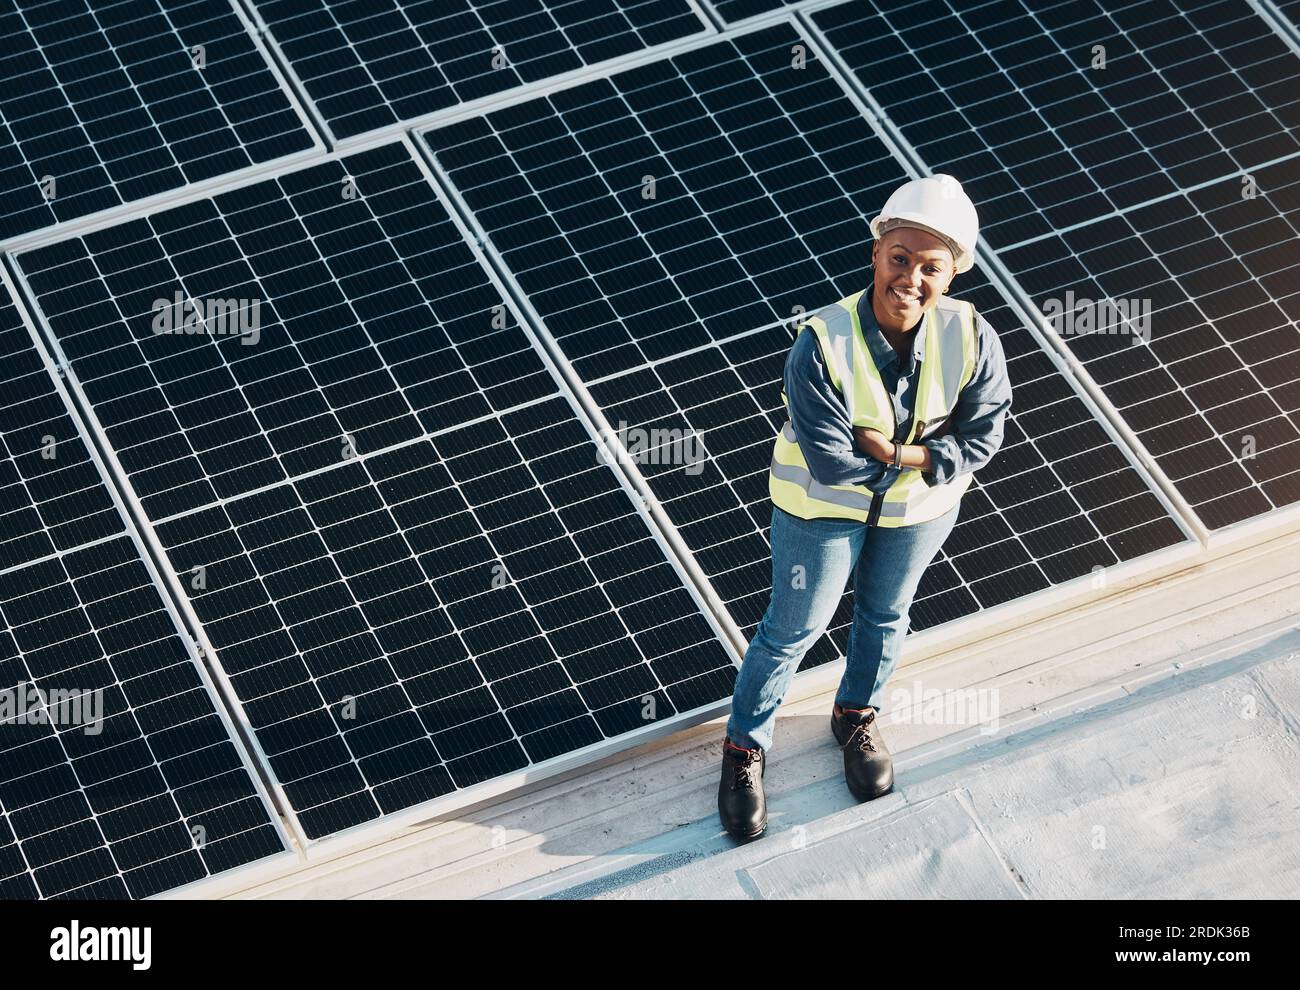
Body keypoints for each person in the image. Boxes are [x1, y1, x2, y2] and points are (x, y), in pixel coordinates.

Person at [718, 175, 1014, 839]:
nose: (912, 277)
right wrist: (933, 453)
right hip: (818, 510)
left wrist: (902, 456)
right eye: (900, 257)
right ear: (875, 252)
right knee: (792, 629)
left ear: (954, 274)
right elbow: (831, 463)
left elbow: (986, 435)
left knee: (886, 614)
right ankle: (744, 749)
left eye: (932, 266)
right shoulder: (820, 344)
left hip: (920, 512)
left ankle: (856, 716)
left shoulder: (972, 335)